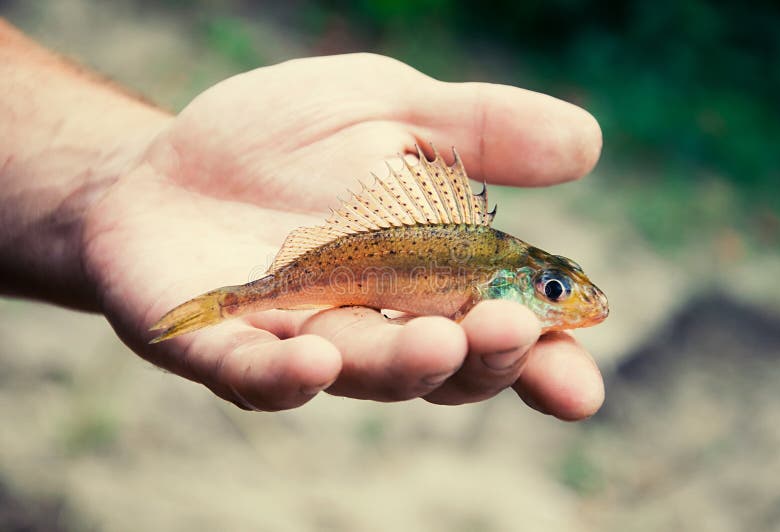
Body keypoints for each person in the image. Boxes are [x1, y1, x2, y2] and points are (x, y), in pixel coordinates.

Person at [0, 18, 604, 418]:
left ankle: (233, 300)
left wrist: (115, 174)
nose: (566, 299)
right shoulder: (478, 265)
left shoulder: (488, 269)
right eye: (554, 289)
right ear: (507, 281)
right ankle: (229, 301)